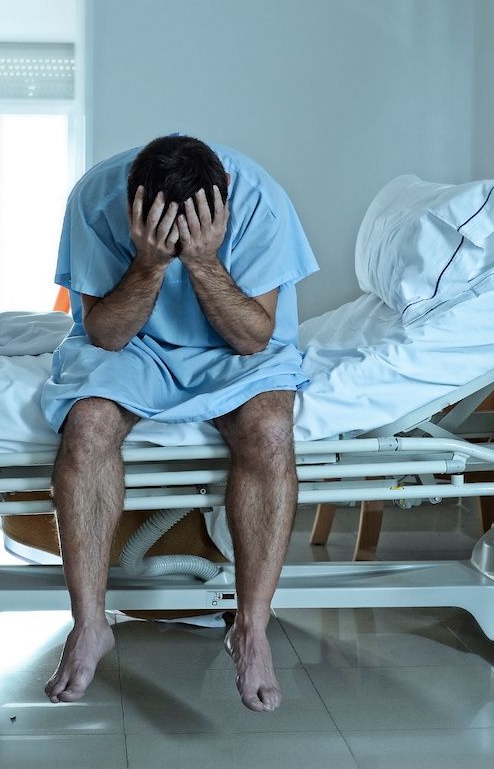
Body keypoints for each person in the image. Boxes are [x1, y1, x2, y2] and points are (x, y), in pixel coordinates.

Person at [39, 134, 318, 712]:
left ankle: (251, 628)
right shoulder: (94, 198)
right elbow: (107, 334)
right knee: (87, 425)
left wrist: (203, 260)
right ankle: (90, 624)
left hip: (233, 346)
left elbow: (253, 337)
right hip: (134, 347)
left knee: (269, 431)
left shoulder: (261, 200)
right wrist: (149, 264)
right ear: (131, 204)